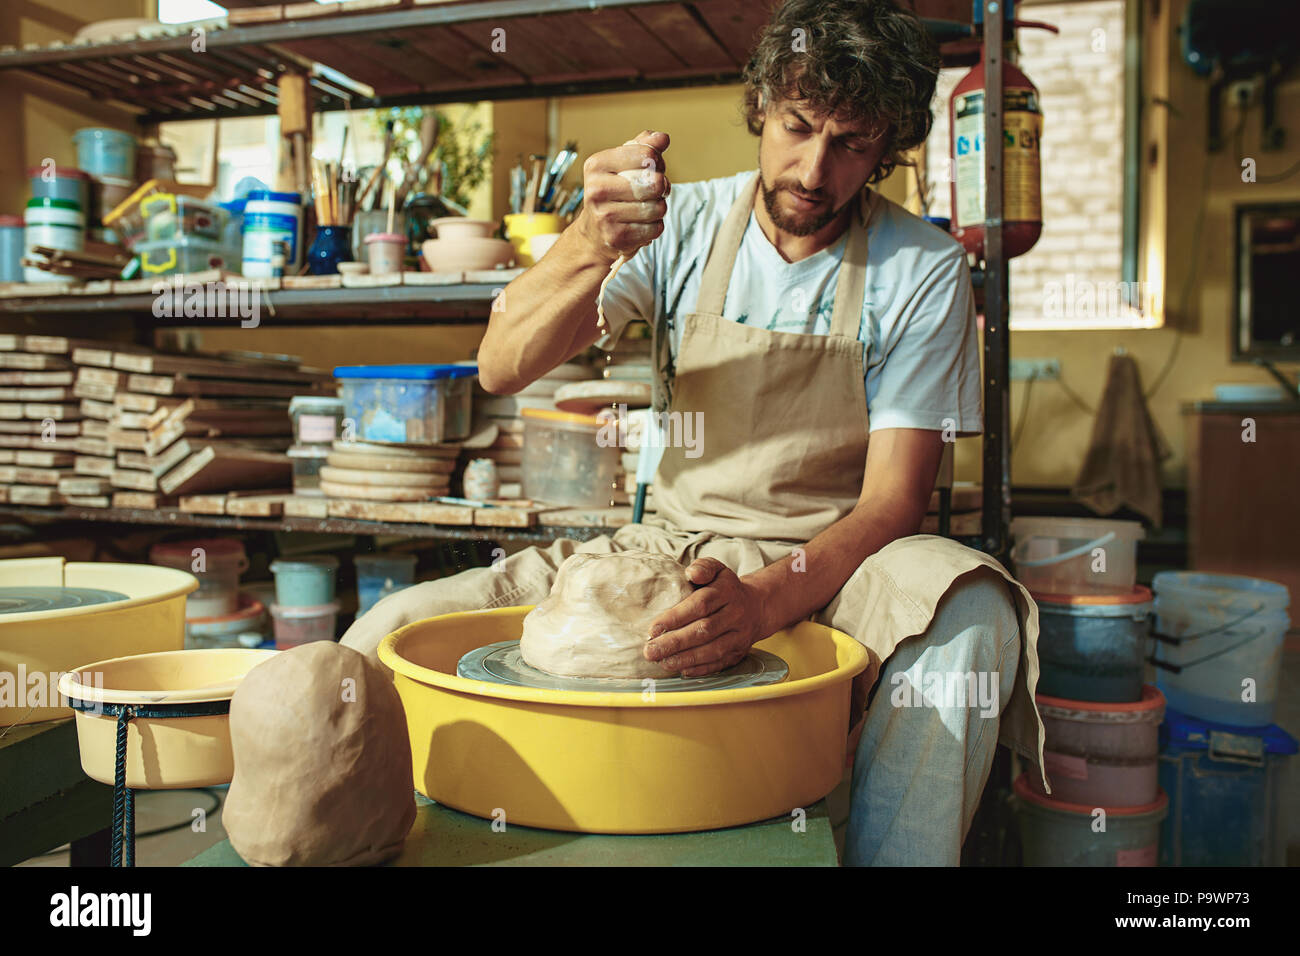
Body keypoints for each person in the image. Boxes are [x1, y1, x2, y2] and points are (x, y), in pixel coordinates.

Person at [343, 0, 1047, 865]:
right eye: (797, 127)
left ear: (890, 149)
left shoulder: (923, 269)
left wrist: (763, 603)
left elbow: (894, 503)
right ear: (762, 108)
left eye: (852, 143)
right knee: (384, 631)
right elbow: (500, 366)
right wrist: (587, 245)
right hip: (669, 548)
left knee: (973, 610)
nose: (815, 170)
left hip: (831, 564)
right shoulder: (678, 223)